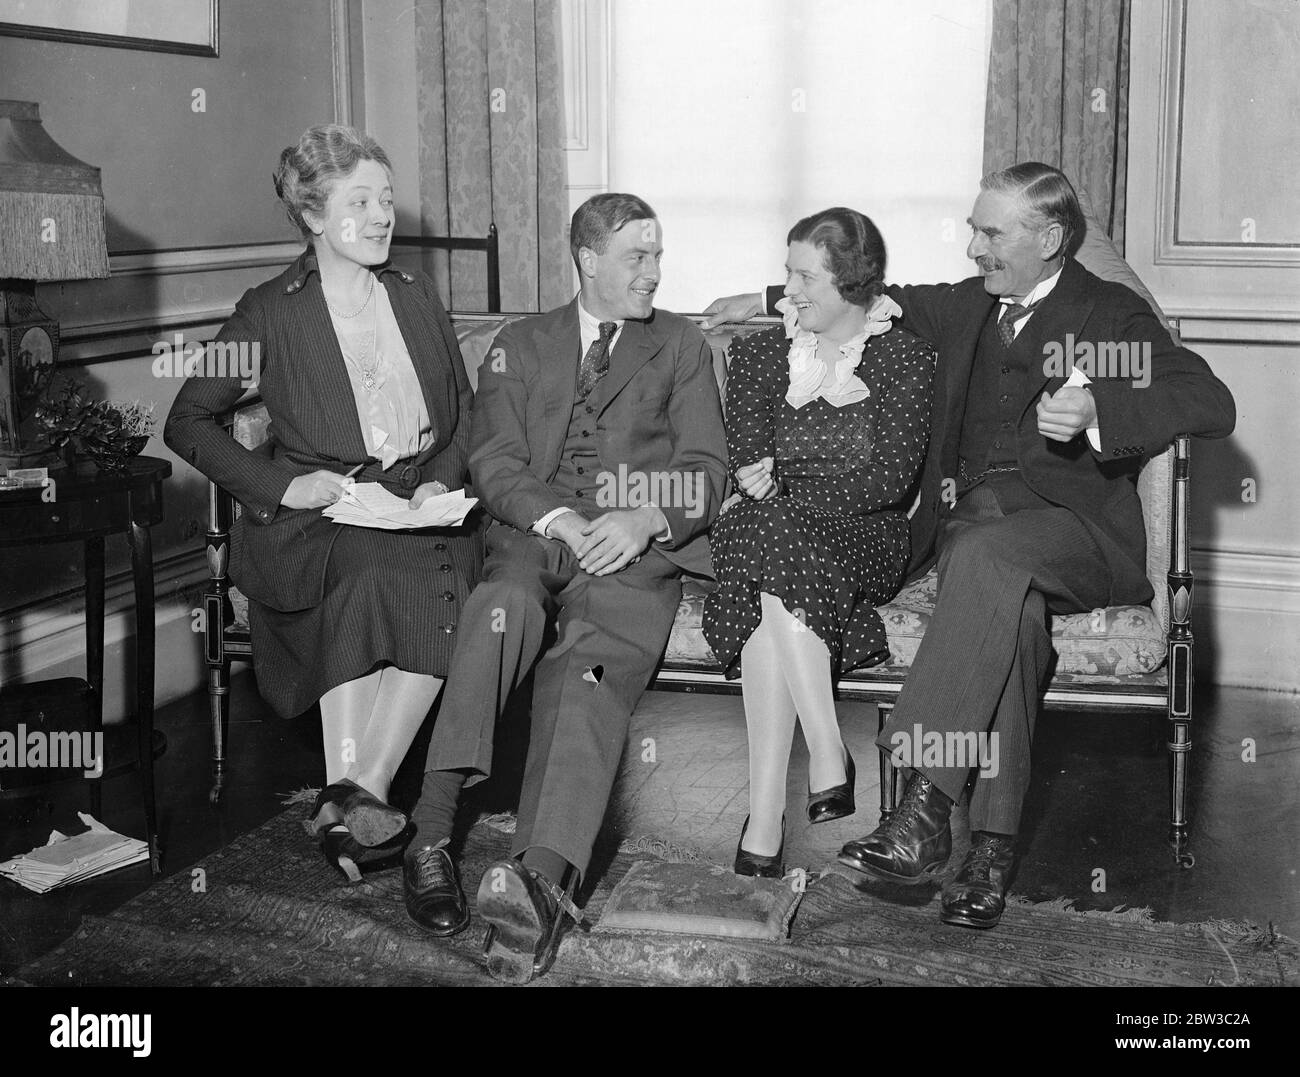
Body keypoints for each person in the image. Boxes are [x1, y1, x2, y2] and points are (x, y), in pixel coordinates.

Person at [703, 162, 1235, 928]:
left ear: (1048, 238)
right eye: (972, 229)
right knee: (1007, 612)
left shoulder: (1108, 315)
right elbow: (879, 295)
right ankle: (989, 855)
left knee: (989, 559)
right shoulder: (968, 307)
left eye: (991, 233)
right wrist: (770, 297)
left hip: (1077, 534)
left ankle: (923, 807)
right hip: (973, 534)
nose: (972, 247)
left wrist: (1097, 405)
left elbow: (1208, 399)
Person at [400, 193, 728, 981]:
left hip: (630, 549)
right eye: (636, 257)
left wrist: (646, 519)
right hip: (535, 535)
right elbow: (495, 462)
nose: (655, 271)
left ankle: (540, 882)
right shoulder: (520, 343)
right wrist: (554, 518)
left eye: (658, 254)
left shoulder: (681, 344)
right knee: (499, 609)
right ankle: (431, 834)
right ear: (587, 259)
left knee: (587, 672)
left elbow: (707, 470)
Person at [165, 124, 481, 882]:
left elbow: (465, 415)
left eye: (387, 199)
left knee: (431, 566)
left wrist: (439, 474)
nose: (381, 216)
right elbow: (186, 419)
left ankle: (350, 794)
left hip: (422, 503)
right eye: (360, 200)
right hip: (319, 514)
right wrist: (283, 485)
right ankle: (359, 794)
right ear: (313, 216)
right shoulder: (270, 309)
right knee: (374, 567)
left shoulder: (414, 294)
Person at [702, 208, 932, 878]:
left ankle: (767, 811)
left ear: (853, 282)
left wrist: (789, 486)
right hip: (768, 527)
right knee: (767, 537)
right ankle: (824, 755)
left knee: (768, 540)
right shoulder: (761, 352)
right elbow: (748, 456)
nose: (789, 289)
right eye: (787, 272)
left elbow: (889, 479)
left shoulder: (904, 356)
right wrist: (767, 479)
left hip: (866, 534)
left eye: (805, 275)